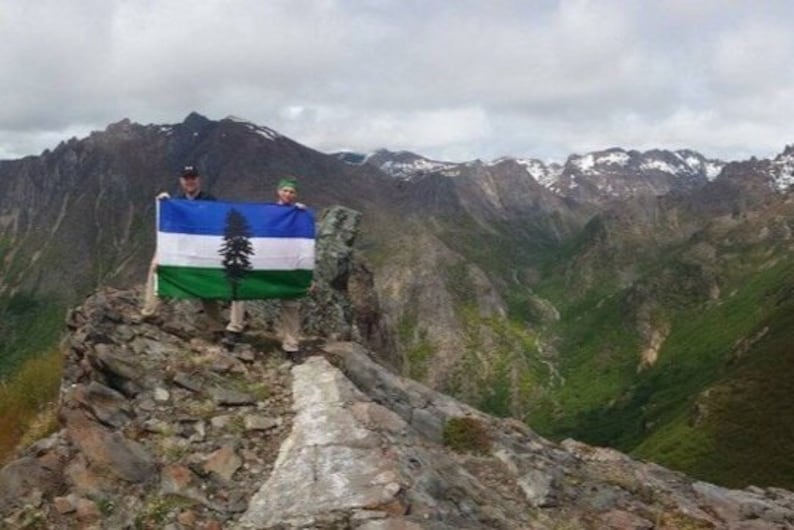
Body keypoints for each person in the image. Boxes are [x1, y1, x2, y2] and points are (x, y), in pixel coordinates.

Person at [141, 165, 245, 335]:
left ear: (198, 180)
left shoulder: (210, 201)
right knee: (155, 269)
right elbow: (168, 230)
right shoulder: (177, 203)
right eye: (186, 178)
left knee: (206, 288)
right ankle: (149, 312)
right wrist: (163, 204)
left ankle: (216, 326)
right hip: (184, 252)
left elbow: (219, 224)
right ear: (181, 181)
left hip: (206, 252)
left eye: (193, 178)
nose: (190, 181)